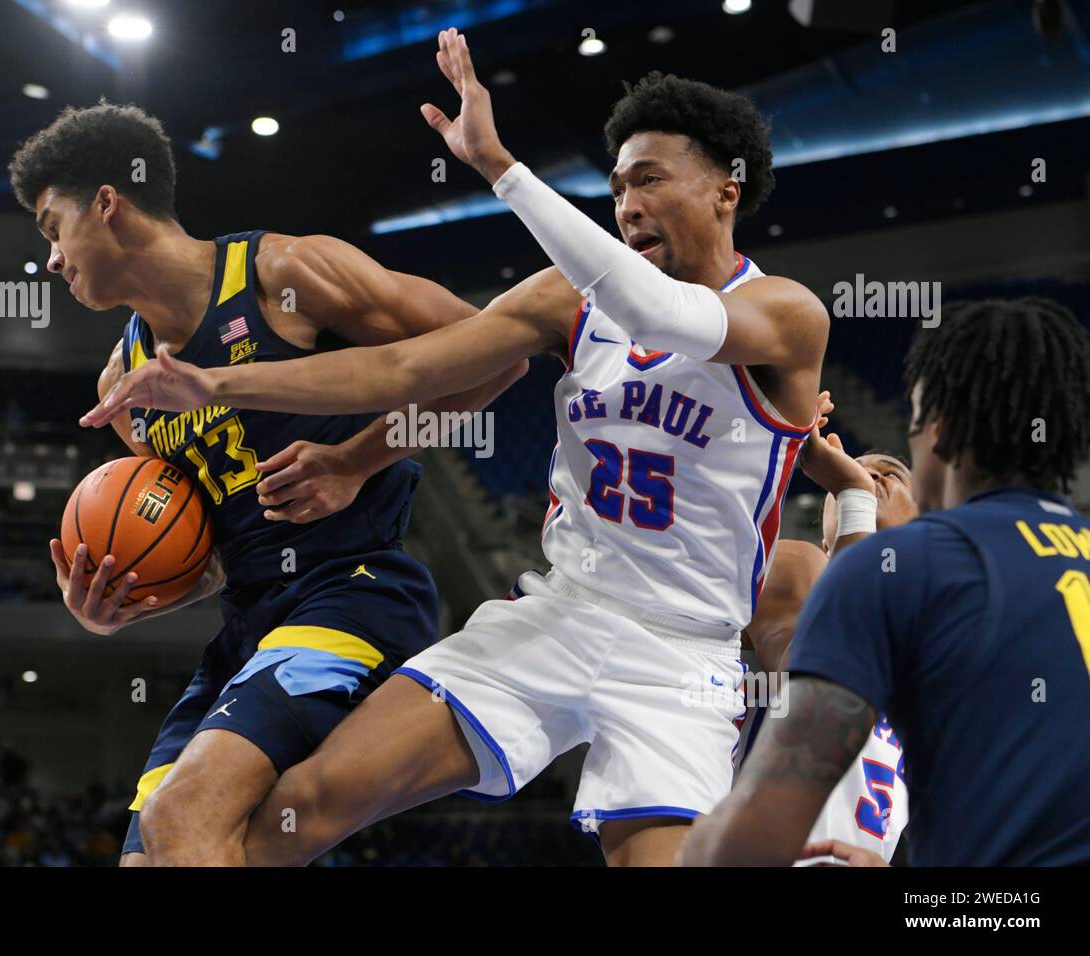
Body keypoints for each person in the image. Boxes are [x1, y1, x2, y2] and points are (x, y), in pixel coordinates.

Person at [86, 30, 829, 866]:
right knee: (296, 810)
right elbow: (401, 366)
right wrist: (227, 388)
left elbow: (663, 317)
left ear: (728, 188)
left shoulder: (786, 313)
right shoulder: (569, 301)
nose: (626, 204)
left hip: (682, 655)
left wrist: (497, 165)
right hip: (559, 612)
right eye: (617, 186)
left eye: (650, 179)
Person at [8, 101, 525, 866]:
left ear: (108, 203)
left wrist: (355, 461)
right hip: (245, 625)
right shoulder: (124, 382)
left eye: (53, 227)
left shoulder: (283, 273)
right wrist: (122, 605)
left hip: (353, 591)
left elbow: (499, 355)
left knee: (185, 813)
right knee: (151, 853)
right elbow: (210, 555)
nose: (50, 258)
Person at [682, 298, 1090, 866]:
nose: (873, 479)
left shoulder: (918, 569)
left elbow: (755, 831)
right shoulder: (806, 567)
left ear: (937, 432)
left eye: (889, 472)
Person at [740, 440, 918, 866]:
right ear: (825, 537)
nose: (872, 475)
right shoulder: (797, 569)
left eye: (890, 471)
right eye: (859, 471)